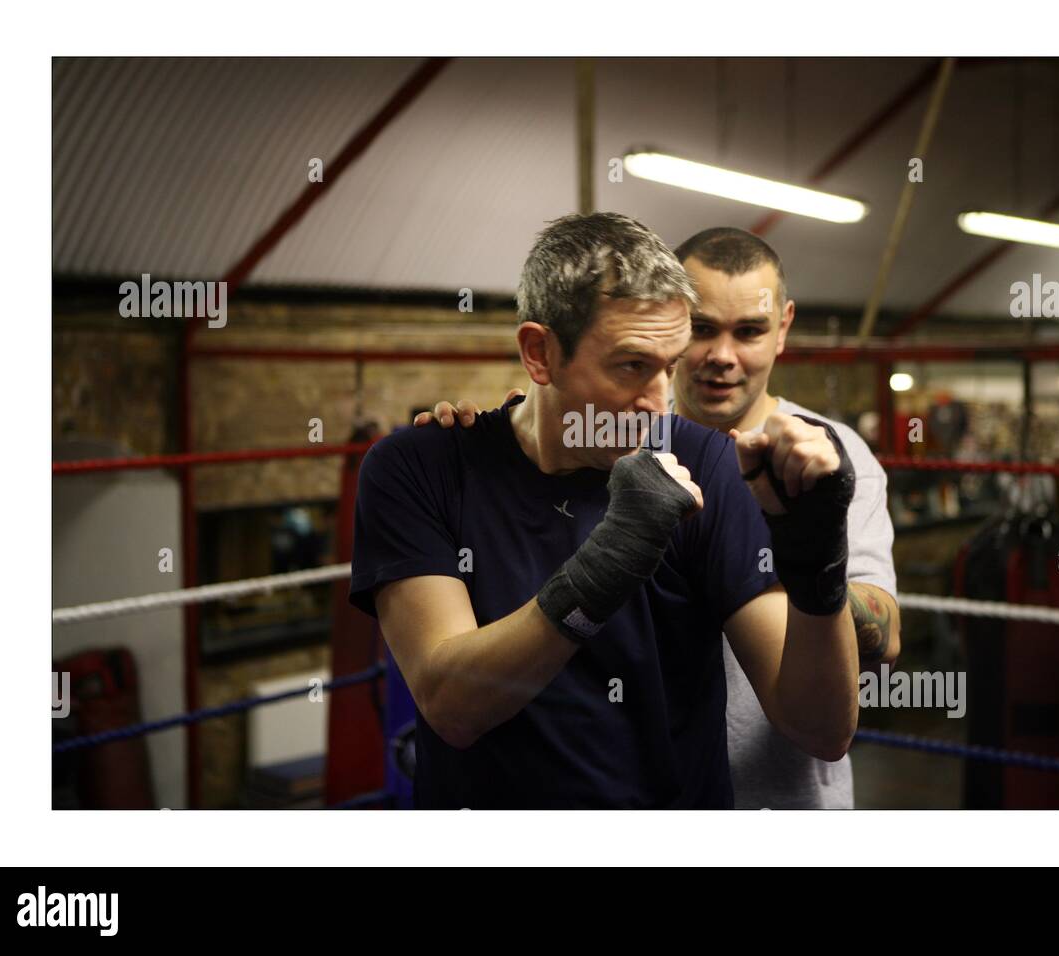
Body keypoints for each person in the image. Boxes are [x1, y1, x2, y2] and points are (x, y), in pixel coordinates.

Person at [352, 212, 861, 808]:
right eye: (631, 366)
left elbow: (822, 731)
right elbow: (451, 707)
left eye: (670, 366)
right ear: (539, 353)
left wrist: (818, 564)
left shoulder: (702, 462)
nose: (658, 403)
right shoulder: (420, 468)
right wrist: (610, 560)